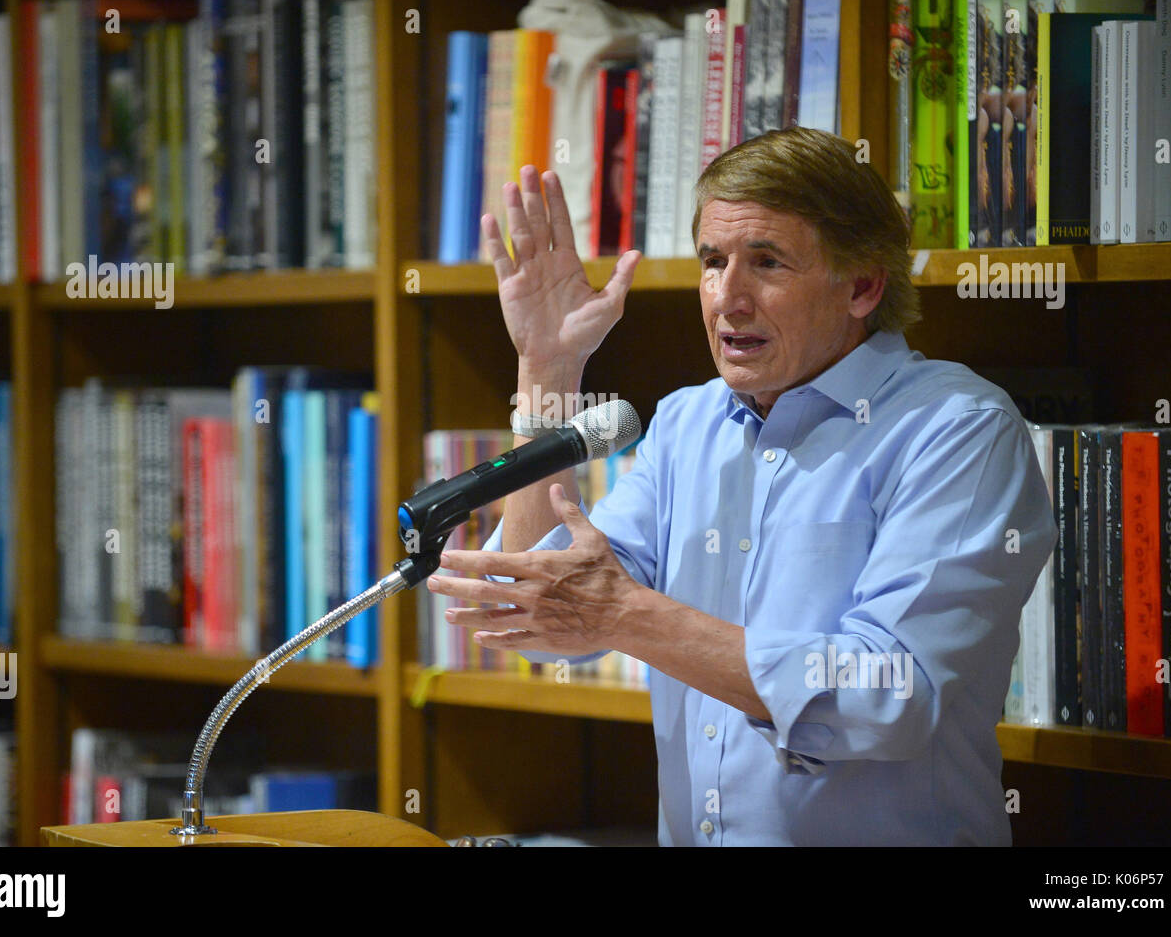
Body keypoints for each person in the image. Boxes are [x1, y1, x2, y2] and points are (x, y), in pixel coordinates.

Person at [425, 127, 1056, 846]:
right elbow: (537, 617)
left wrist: (628, 615)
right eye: (712, 261)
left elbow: (888, 696)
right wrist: (547, 370)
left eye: (767, 262)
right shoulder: (686, 422)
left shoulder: (957, 428)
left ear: (863, 284)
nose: (728, 297)